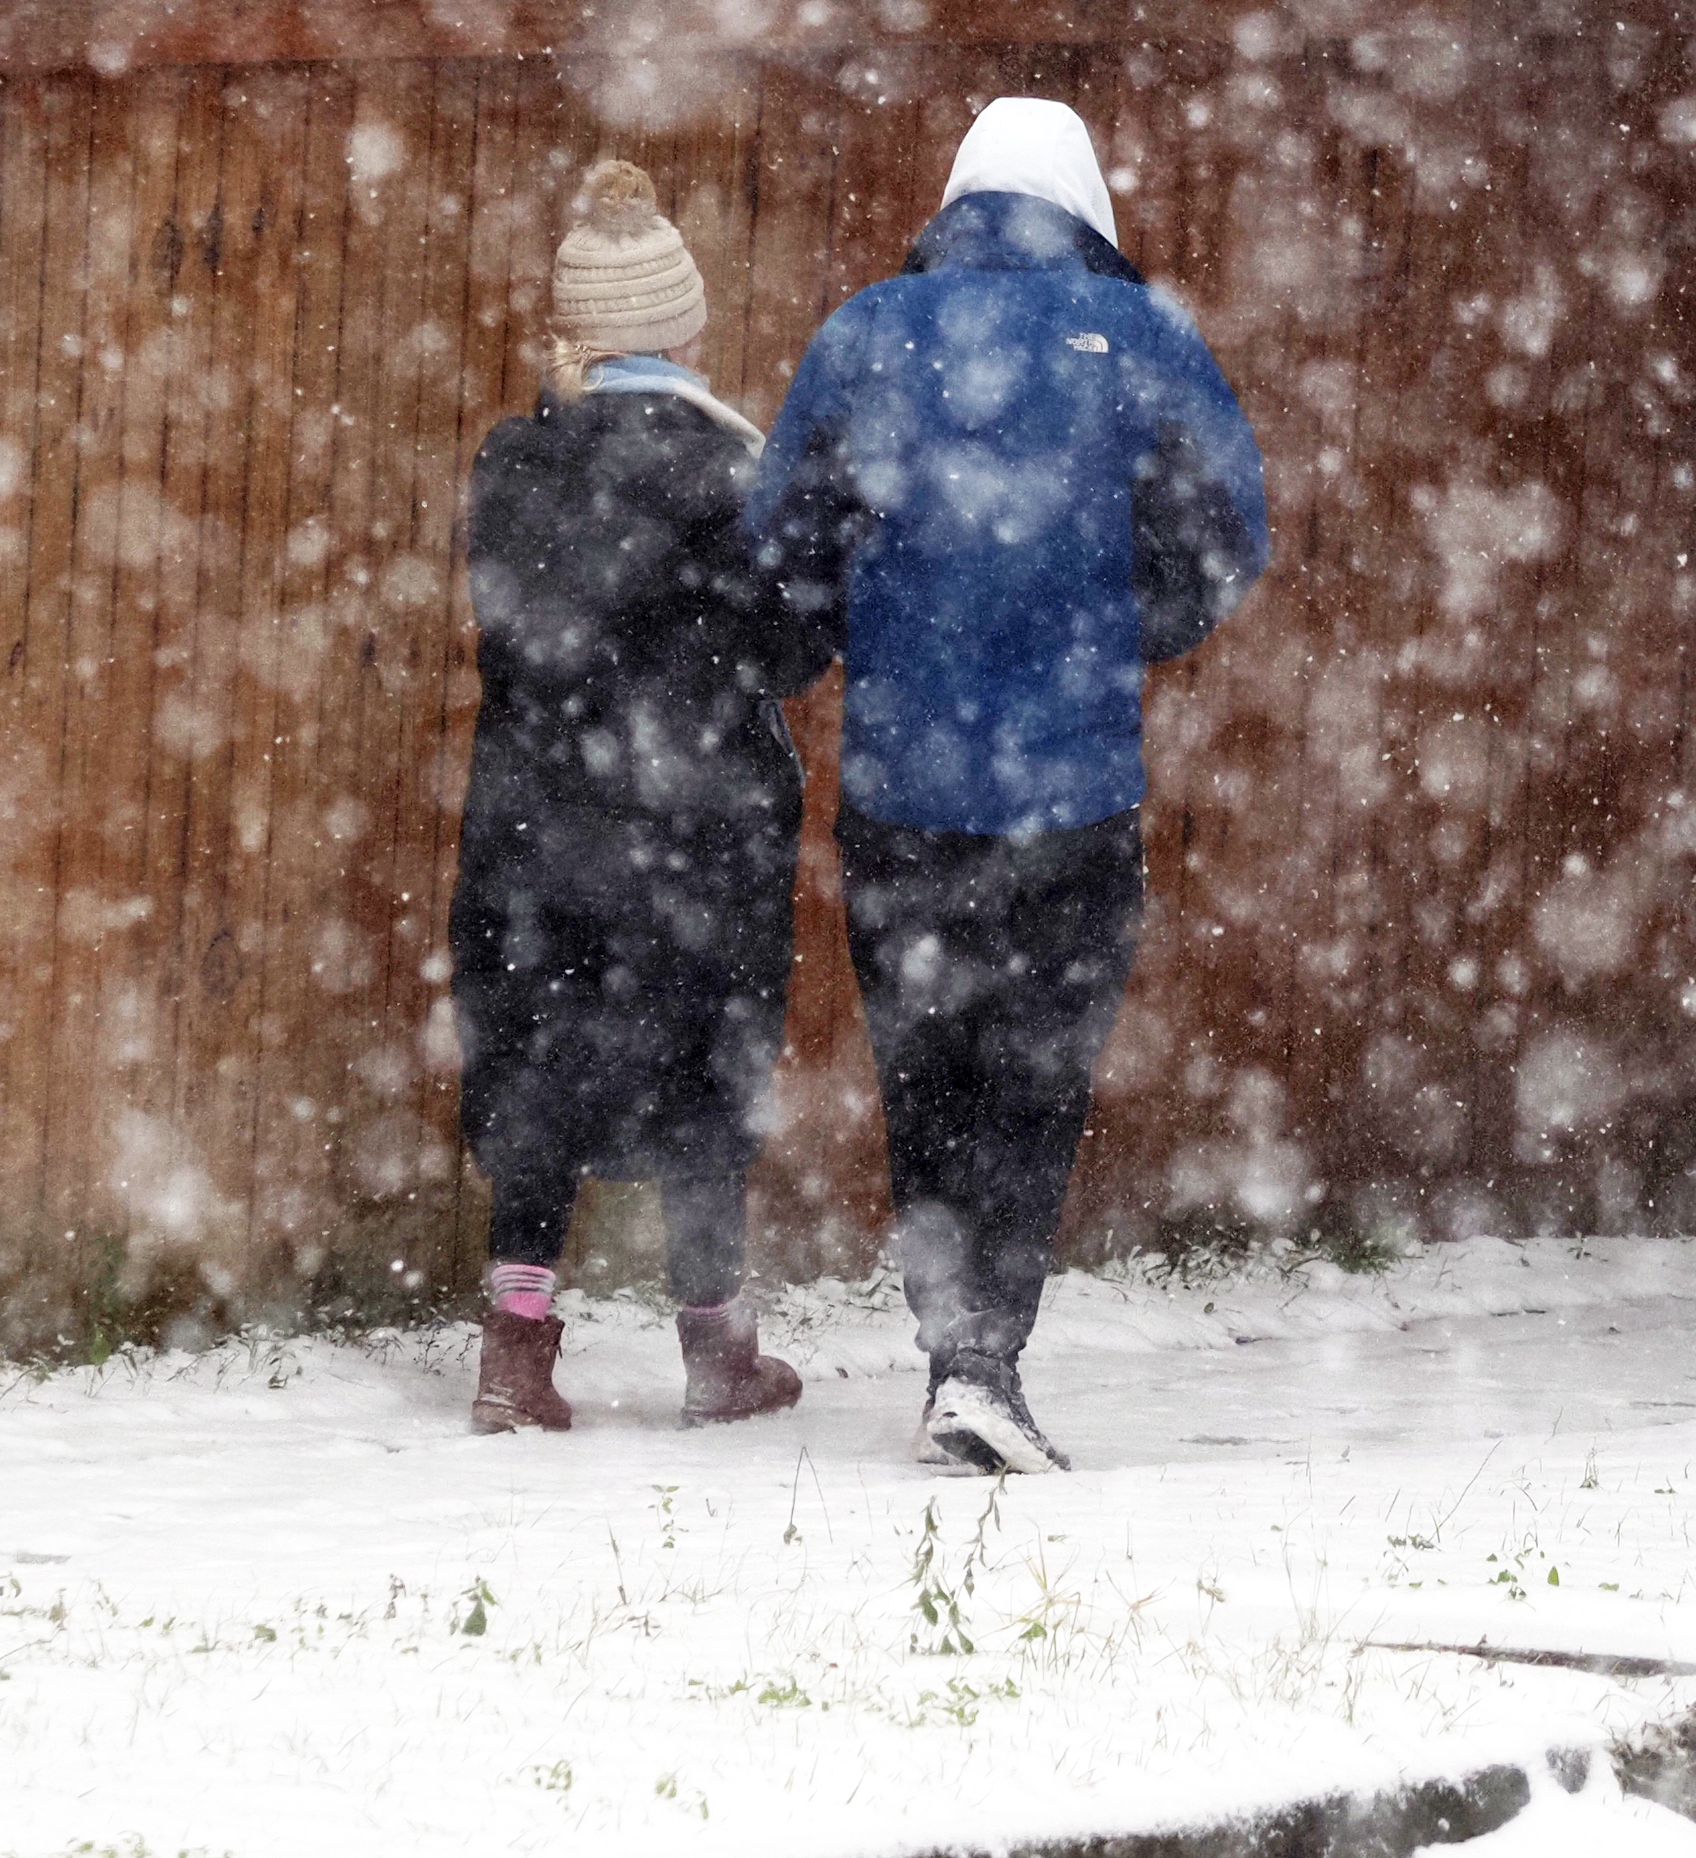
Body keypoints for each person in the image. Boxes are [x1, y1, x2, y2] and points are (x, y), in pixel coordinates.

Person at [753, 98, 1267, 1473]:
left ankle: (953, 1354)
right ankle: (984, 1359)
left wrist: (839, 633)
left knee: (927, 1076)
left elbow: (785, 544)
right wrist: (1123, 628)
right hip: (1073, 788)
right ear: (1082, 204)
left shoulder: (867, 333)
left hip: (899, 789)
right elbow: (1228, 529)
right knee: (1034, 1082)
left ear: (957, 200)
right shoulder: (1144, 339)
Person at [446, 160, 818, 1437]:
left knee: (539, 1066)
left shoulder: (512, 460)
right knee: (706, 1072)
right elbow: (787, 650)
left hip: (537, 821)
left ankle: (515, 1351)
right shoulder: (738, 467)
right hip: (699, 831)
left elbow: (510, 638)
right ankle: (717, 1352)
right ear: (682, 328)